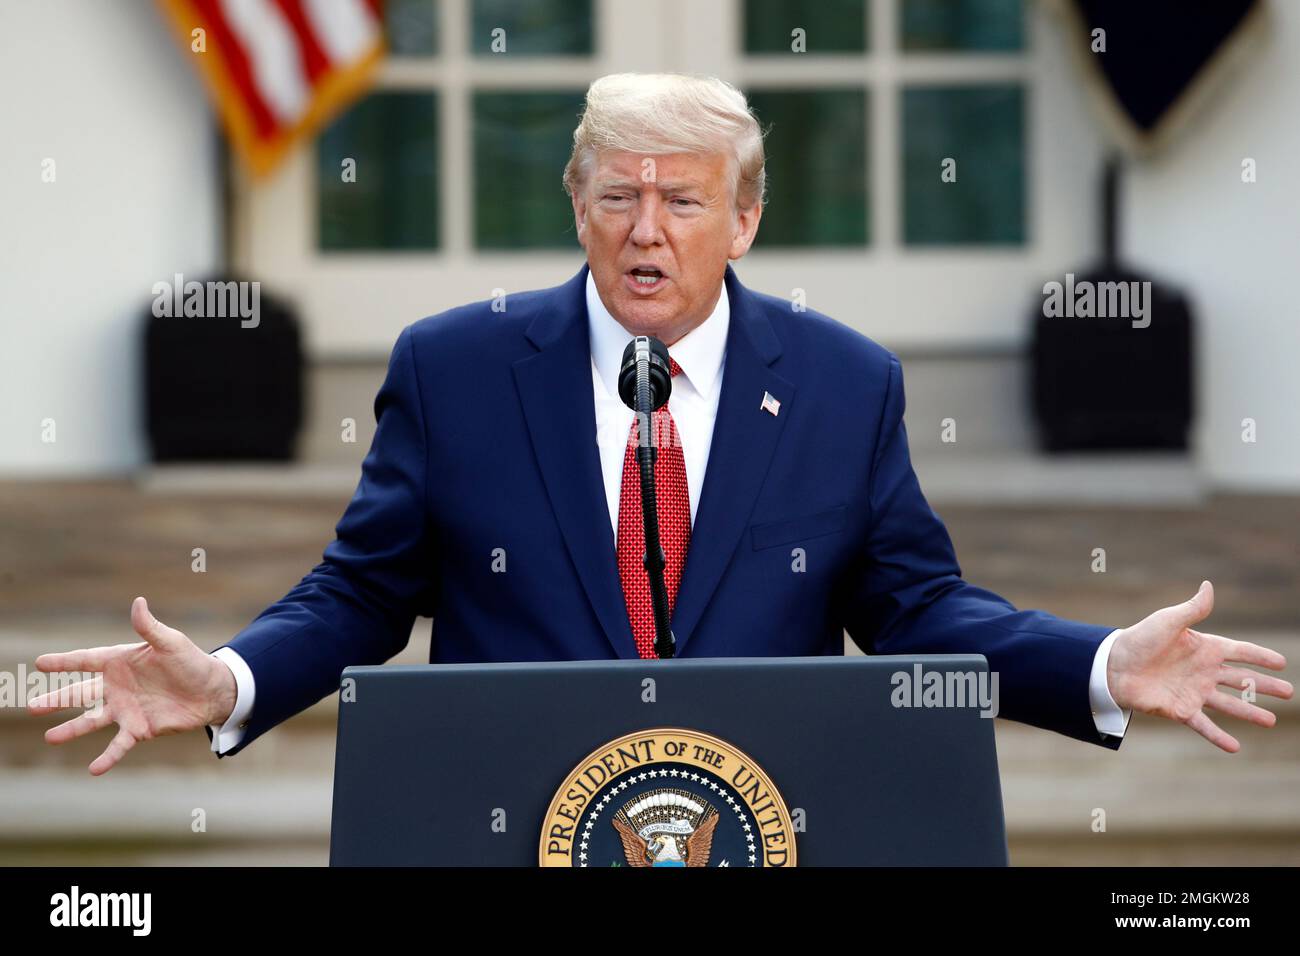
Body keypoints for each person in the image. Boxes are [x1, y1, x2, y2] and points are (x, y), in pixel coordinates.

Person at [29, 74, 1290, 775]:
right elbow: (363, 592)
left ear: (743, 220)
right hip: (510, 822)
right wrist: (232, 677)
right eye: (618, 195)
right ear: (576, 205)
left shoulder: (846, 382)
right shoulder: (455, 367)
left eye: (682, 200)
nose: (646, 230)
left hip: (765, 819)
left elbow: (913, 609)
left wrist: (1094, 664)